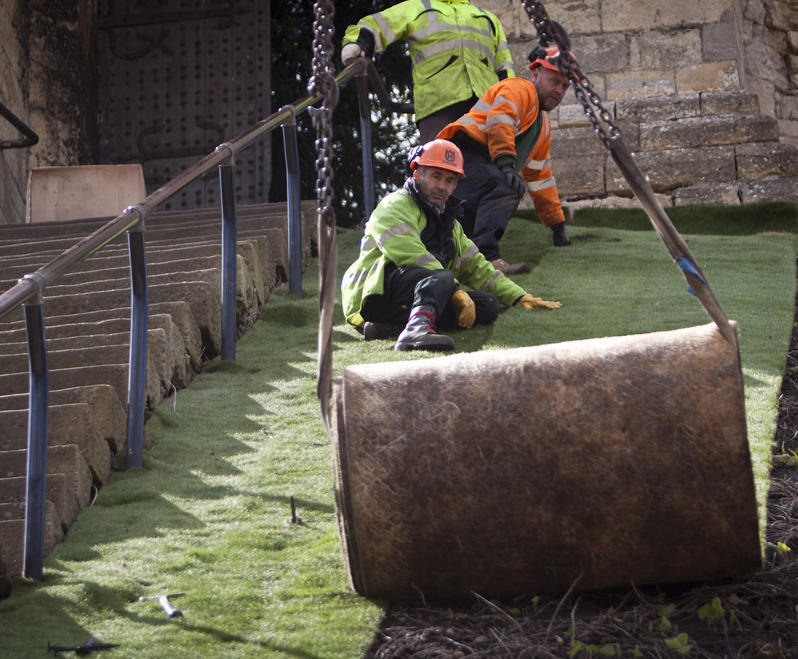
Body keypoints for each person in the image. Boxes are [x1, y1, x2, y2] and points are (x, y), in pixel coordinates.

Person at [341, 139, 562, 352]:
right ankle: (416, 330)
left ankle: (387, 328)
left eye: (449, 180)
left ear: (456, 185)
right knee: (443, 276)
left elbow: (476, 266)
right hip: (373, 296)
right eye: (436, 176)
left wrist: (520, 296)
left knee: (487, 305)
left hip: (416, 291)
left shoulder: (449, 222)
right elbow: (411, 256)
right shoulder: (394, 205)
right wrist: (454, 290)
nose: (442, 186)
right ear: (417, 174)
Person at [437, 44, 575, 275]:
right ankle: (488, 259)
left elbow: (541, 178)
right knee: (505, 184)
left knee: (461, 230)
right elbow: (500, 121)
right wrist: (506, 166)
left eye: (564, 86)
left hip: (478, 168)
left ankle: (463, 263)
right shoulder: (519, 88)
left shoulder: (542, 127)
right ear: (536, 73)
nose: (559, 91)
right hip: (461, 156)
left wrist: (556, 225)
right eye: (554, 81)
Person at [340, 0, 514, 143]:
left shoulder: (489, 19)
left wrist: (513, 105)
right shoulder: (416, 8)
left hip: (487, 110)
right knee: (439, 171)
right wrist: (357, 43)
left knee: (490, 174)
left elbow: (504, 69)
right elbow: (377, 24)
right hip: (439, 106)